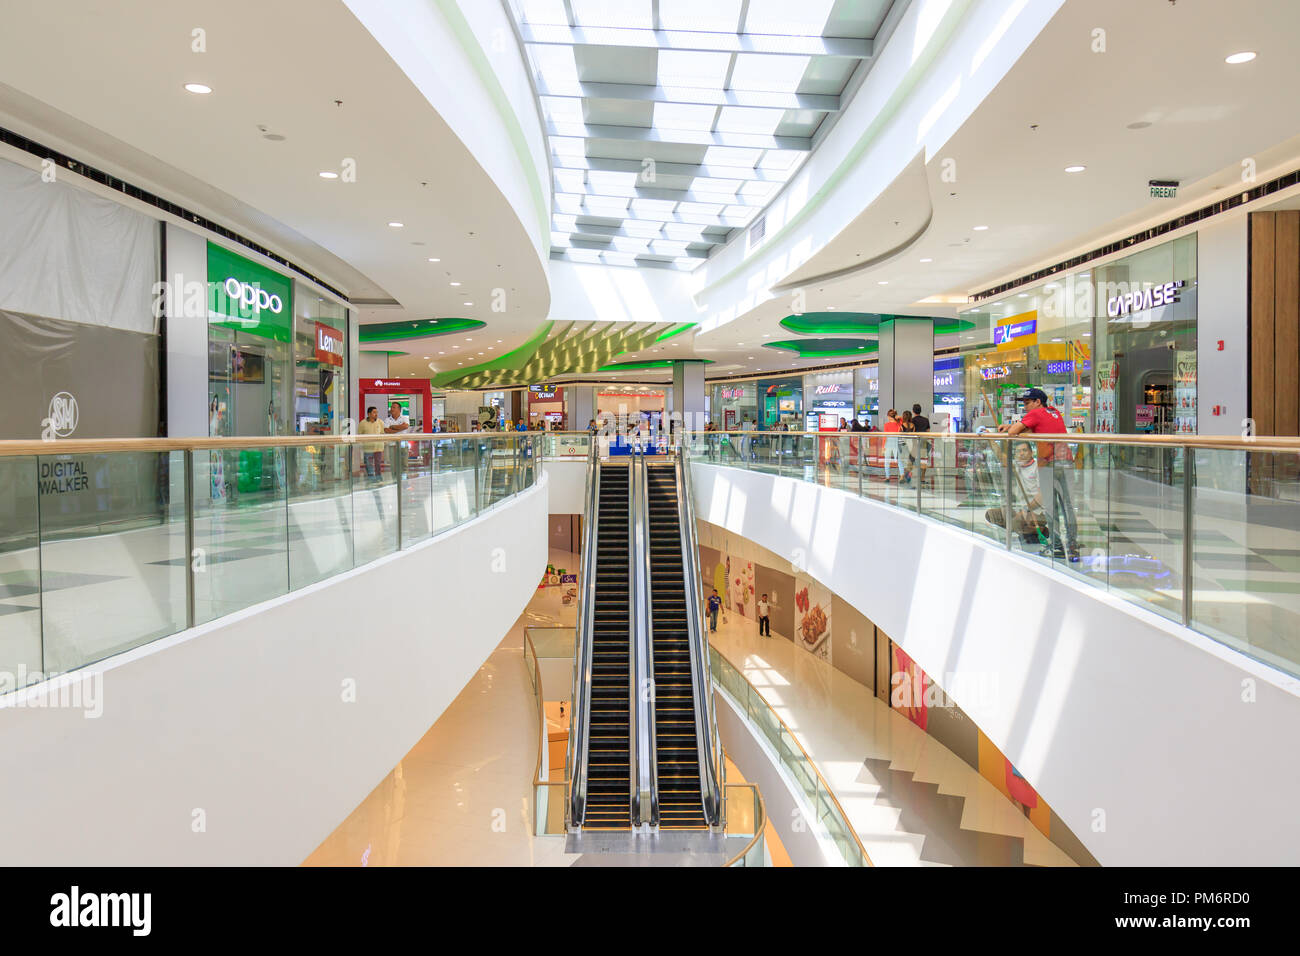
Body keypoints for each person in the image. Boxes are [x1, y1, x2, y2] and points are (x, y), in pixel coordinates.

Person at [998, 388, 1078, 561]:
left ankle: (1056, 547)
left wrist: (1010, 428)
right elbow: (1032, 431)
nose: (1025, 407)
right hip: (1066, 461)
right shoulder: (1054, 412)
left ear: (1038, 402)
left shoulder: (1036, 413)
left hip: (1048, 463)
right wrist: (1012, 426)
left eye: (1027, 403)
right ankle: (1073, 547)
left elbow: (1014, 433)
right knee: (1068, 506)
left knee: (1051, 506)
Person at [905, 403, 931, 486]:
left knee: (911, 459)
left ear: (913, 411)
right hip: (923, 443)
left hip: (914, 443)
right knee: (923, 460)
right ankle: (922, 478)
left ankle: (908, 475)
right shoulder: (926, 420)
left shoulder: (912, 420)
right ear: (920, 410)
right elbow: (928, 431)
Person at [357, 406, 385, 478]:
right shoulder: (362, 423)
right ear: (369, 414)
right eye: (374, 412)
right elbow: (359, 435)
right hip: (368, 448)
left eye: (377, 412)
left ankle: (378, 479)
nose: (376, 414)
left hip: (378, 448)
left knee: (378, 464)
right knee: (369, 465)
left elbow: (383, 434)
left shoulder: (380, 422)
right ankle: (370, 479)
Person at [882, 409, 902, 482]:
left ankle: (887, 477)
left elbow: (885, 436)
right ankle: (902, 475)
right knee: (899, 460)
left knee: (887, 461)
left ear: (889, 416)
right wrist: (898, 417)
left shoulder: (886, 425)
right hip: (896, 442)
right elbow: (902, 419)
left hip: (888, 443)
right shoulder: (898, 424)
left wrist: (883, 447)